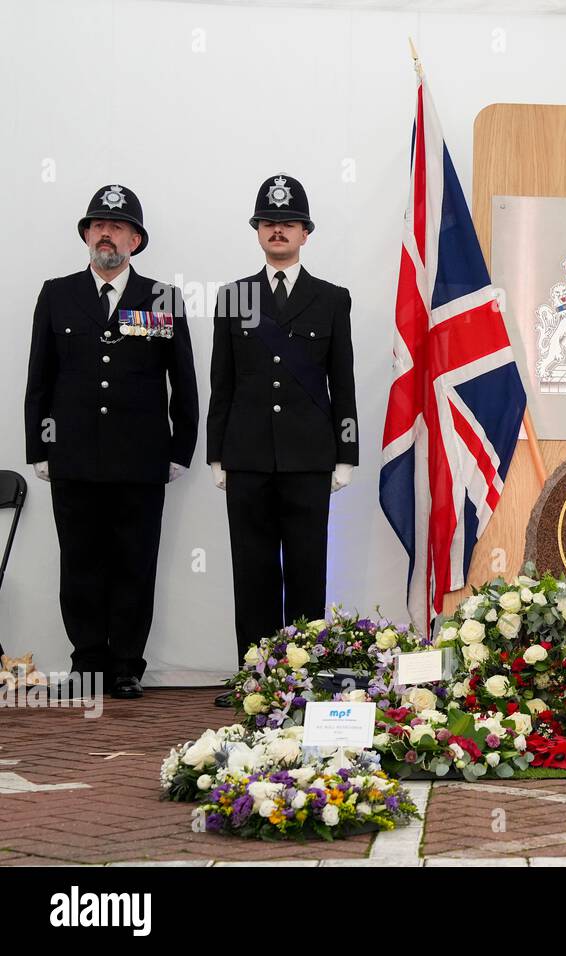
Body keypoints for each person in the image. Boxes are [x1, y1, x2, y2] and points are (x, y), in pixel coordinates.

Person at [23, 184, 199, 699]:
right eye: (98, 225)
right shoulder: (57, 294)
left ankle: (126, 664)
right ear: (86, 236)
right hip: (73, 454)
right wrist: (39, 446)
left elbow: (183, 380)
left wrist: (180, 448)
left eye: (118, 226)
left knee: (134, 560)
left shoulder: (162, 297)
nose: (107, 233)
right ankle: (87, 662)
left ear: (136, 240)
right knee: (79, 560)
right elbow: (40, 376)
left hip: (141, 459)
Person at [207, 174, 358, 706]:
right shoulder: (234, 297)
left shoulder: (331, 299)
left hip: (308, 457)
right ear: (257, 231)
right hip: (247, 456)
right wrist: (217, 454)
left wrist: (346, 454)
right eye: (269, 222)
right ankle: (253, 676)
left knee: (306, 566)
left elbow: (342, 381)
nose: (278, 230)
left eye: (288, 222)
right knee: (251, 568)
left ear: (305, 232)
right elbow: (220, 383)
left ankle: (304, 674)